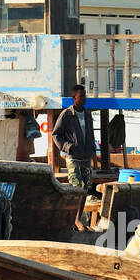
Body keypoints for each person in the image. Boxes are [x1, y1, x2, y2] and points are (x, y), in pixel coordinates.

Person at [51, 84, 98, 229]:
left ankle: (78, 218)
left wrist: (92, 150)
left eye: (85, 96)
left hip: (85, 157)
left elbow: (90, 133)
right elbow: (56, 135)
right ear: (74, 98)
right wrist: (67, 147)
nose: (84, 99)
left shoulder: (87, 114)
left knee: (85, 189)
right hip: (73, 158)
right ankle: (72, 219)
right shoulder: (66, 115)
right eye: (81, 96)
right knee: (75, 188)